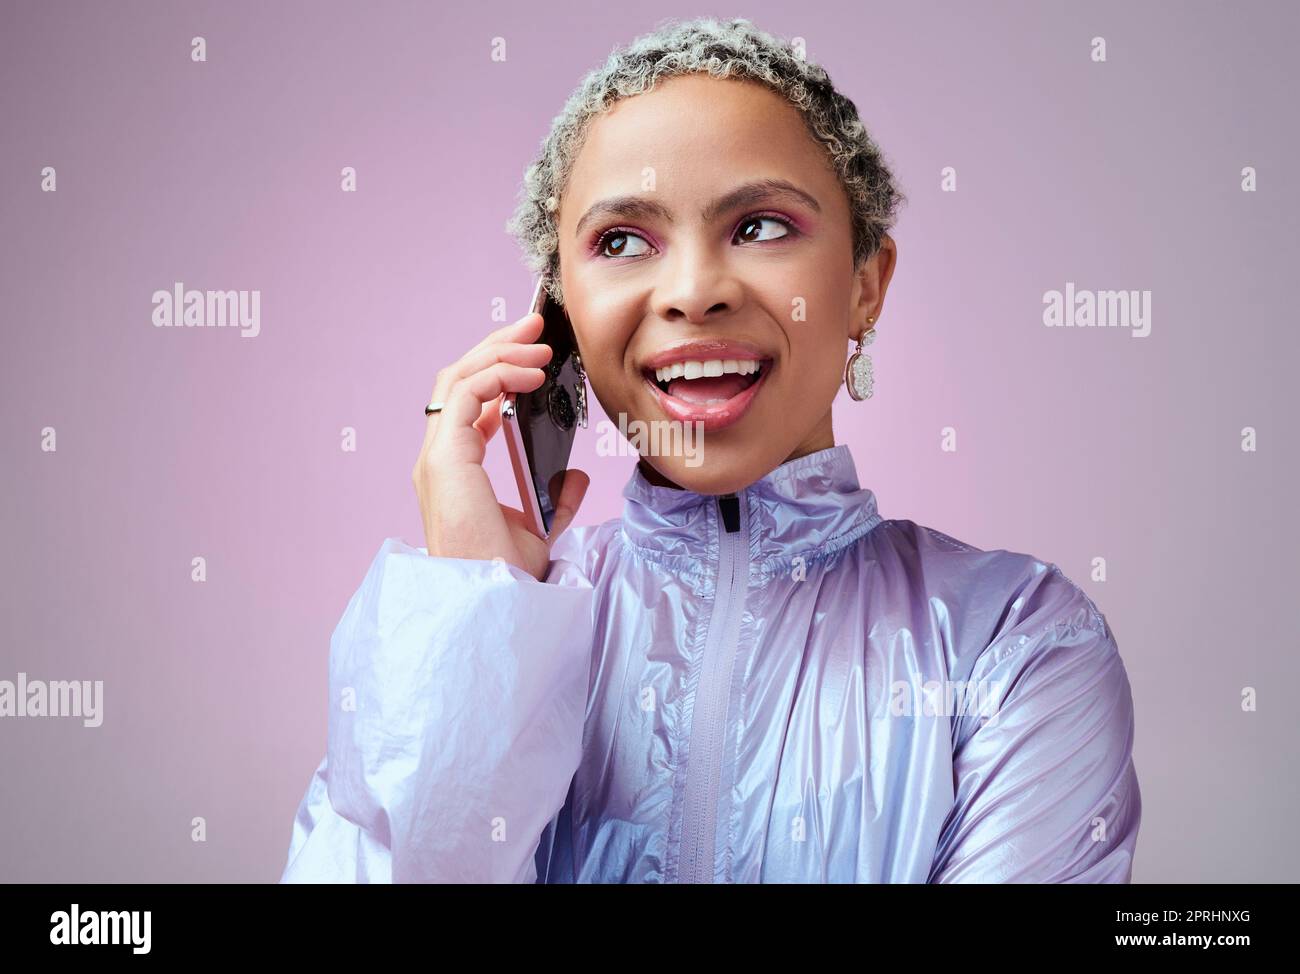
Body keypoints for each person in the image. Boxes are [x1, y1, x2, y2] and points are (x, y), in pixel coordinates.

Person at [279, 16, 1141, 883]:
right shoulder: (480, 628)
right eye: (621, 241)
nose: (692, 292)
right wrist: (473, 627)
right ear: (562, 315)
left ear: (864, 286)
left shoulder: (1016, 644)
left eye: (761, 227)